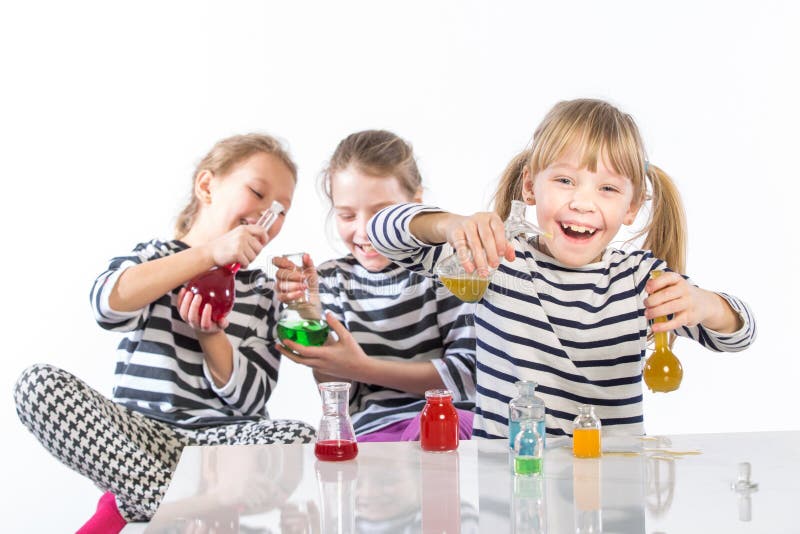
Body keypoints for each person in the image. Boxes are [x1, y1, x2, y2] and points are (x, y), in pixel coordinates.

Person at [367, 99, 757, 439]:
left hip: (611, 495)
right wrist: (448, 225)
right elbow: (382, 232)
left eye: (607, 189)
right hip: (509, 490)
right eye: (565, 180)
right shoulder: (495, 260)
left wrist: (708, 306)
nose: (583, 203)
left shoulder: (642, 281)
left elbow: (738, 336)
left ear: (632, 206)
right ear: (531, 187)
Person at [14, 133, 316, 530]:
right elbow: (106, 305)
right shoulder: (154, 260)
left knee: (300, 436)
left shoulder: (263, 291)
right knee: (37, 385)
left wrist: (212, 338)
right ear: (206, 186)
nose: (267, 217)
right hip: (142, 440)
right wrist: (209, 255)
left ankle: (138, 502)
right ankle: (203, 505)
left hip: (223, 451)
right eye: (257, 193)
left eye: (281, 210)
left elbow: (250, 402)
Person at [273, 130, 476, 441]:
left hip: (448, 422)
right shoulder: (330, 280)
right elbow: (339, 393)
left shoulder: (448, 269)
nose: (364, 231)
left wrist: (363, 367)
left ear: (416, 203)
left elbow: (465, 376)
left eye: (382, 213)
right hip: (375, 433)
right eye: (346, 215)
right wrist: (310, 315)